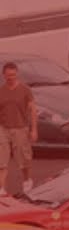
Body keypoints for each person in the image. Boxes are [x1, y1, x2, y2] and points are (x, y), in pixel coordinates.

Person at [0, 62, 37, 196]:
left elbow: (33, 109)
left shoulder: (25, 90)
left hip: (20, 128)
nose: (11, 77)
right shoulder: (1, 91)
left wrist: (34, 130)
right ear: (4, 75)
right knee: (2, 160)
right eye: (8, 75)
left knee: (23, 159)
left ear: (17, 74)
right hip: (3, 129)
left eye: (13, 74)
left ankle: (27, 180)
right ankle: (2, 188)